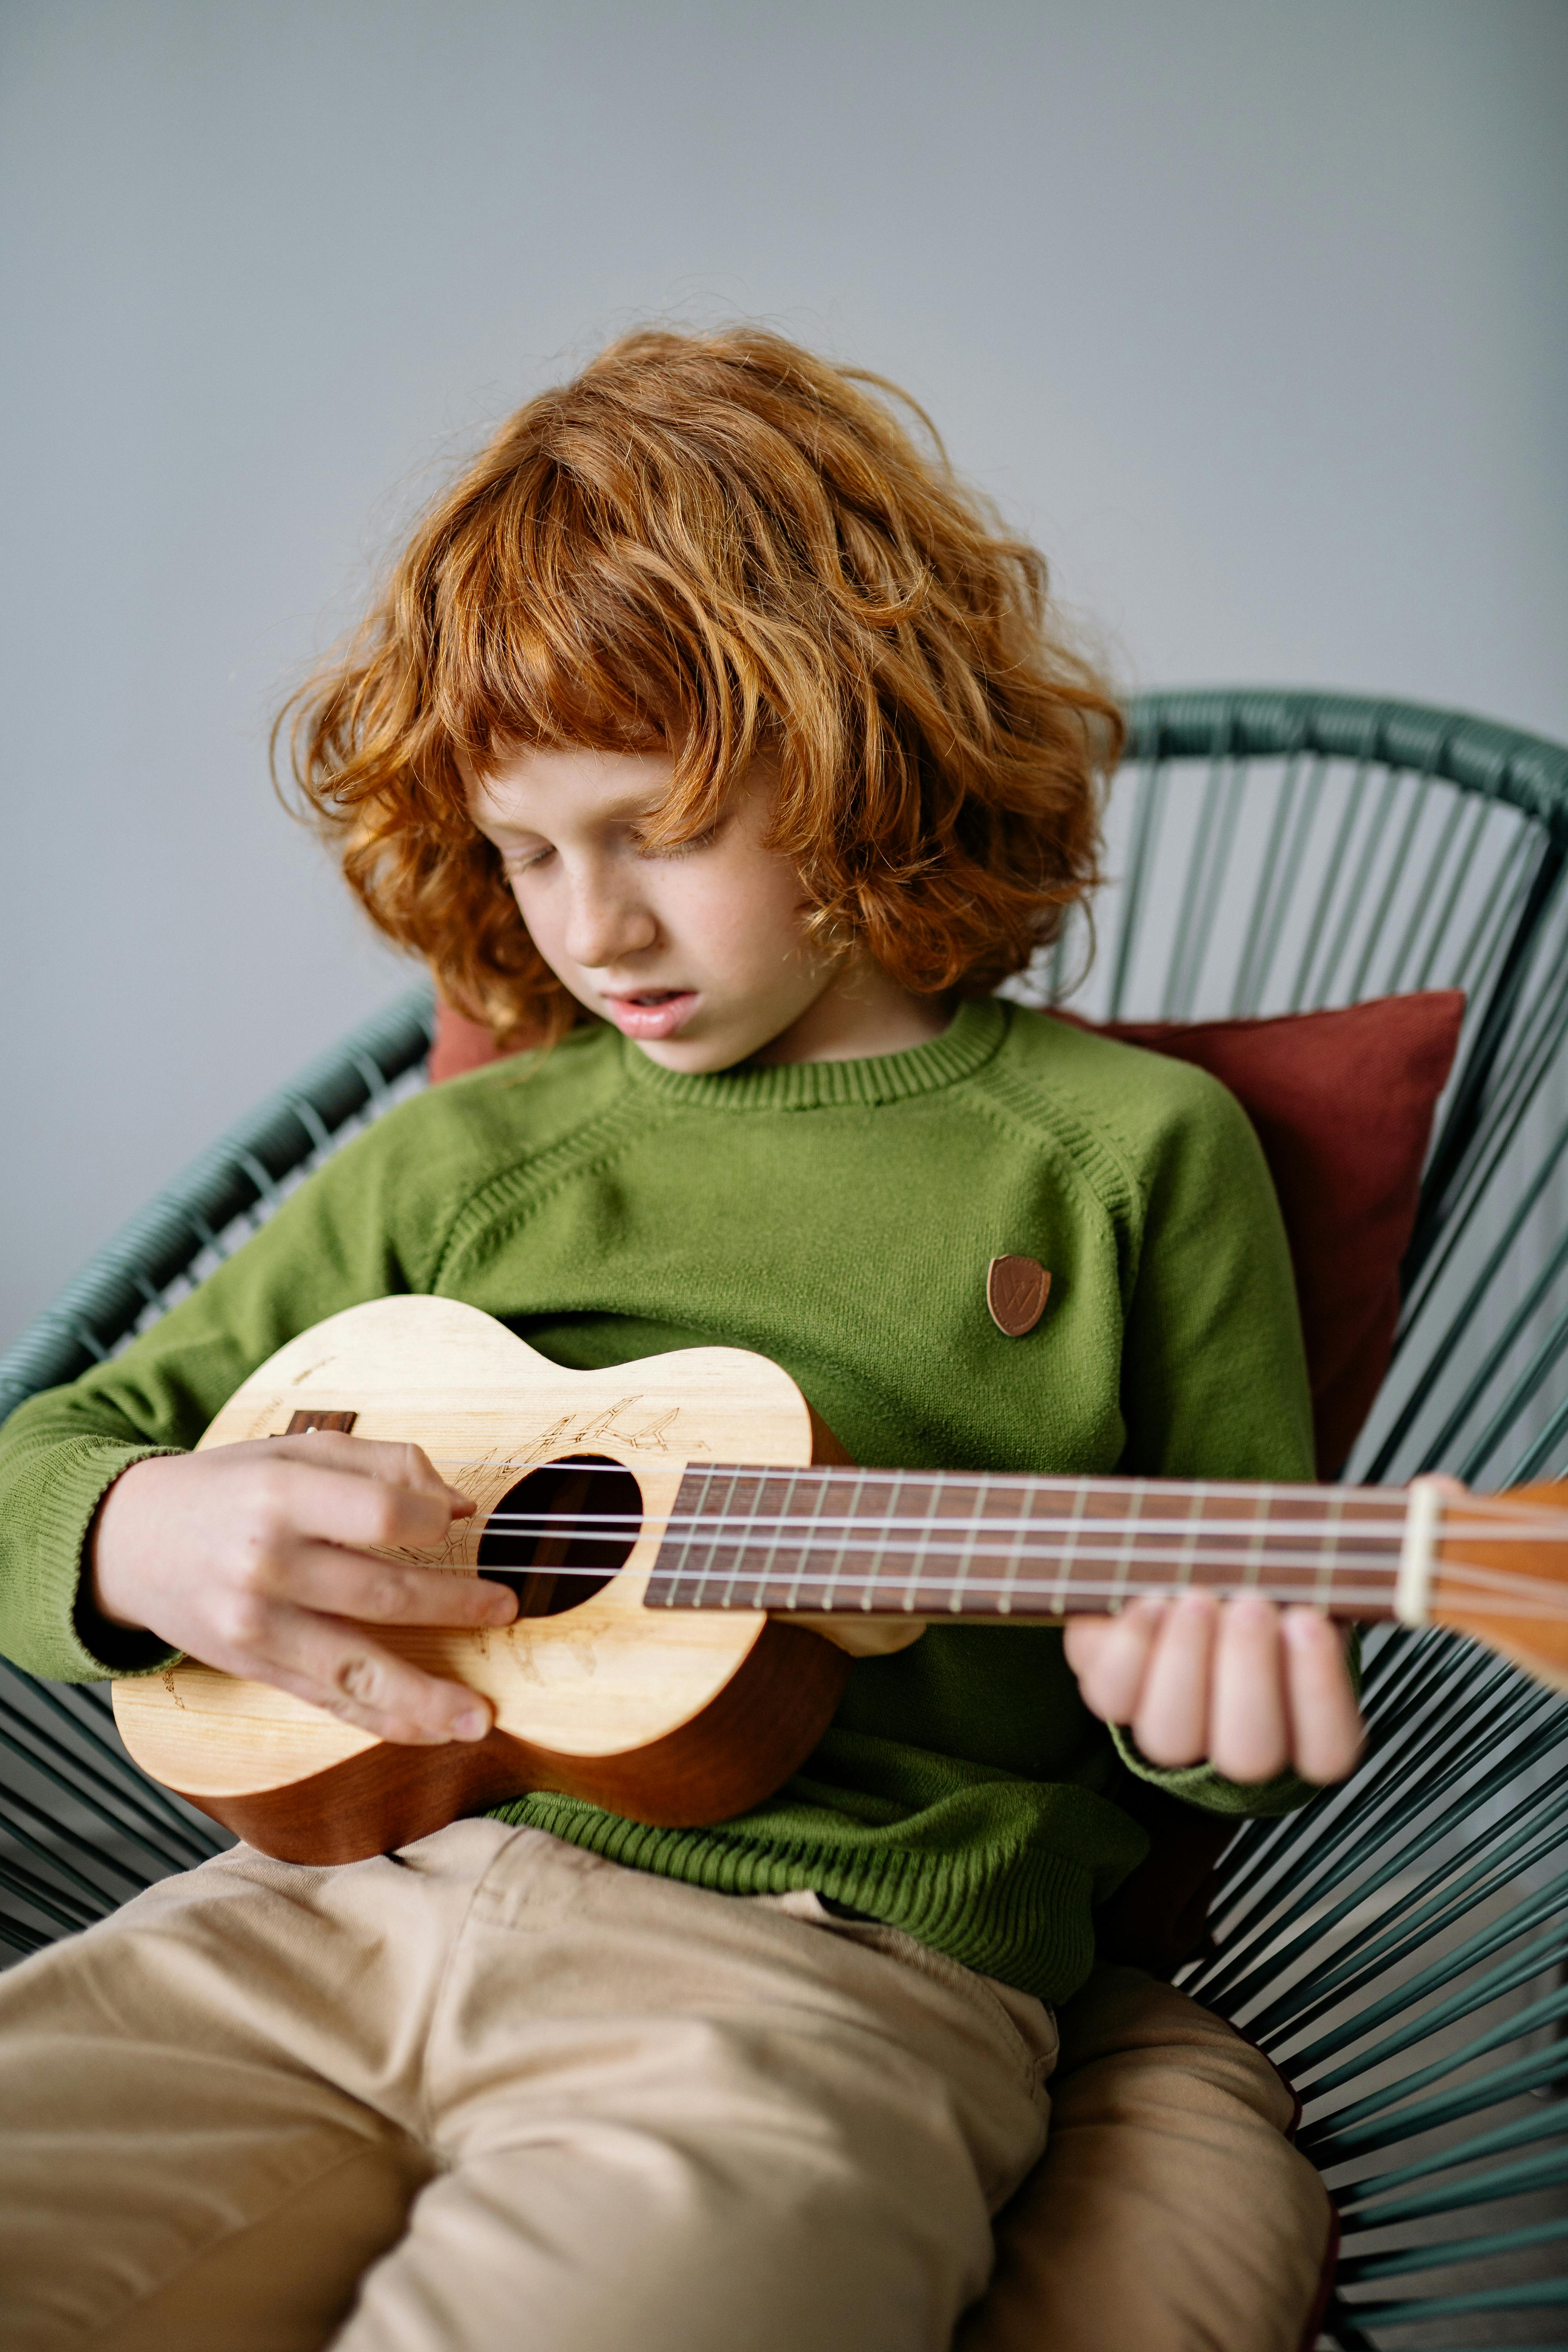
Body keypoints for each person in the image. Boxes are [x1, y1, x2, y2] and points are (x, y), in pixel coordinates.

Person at [0, 327, 1358, 2352]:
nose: (591, 930)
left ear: (864, 751)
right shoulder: (466, 1158)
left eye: (660, 830)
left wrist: (1213, 1711)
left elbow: (1231, 1665)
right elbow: (41, 1458)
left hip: (820, 1975)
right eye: (527, 850)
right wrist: (134, 1533)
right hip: (298, 1921)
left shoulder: (1133, 1156)